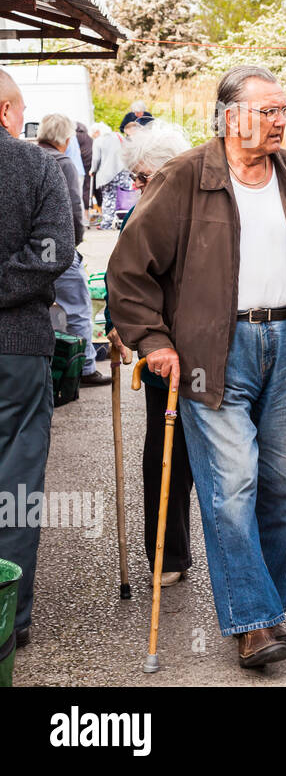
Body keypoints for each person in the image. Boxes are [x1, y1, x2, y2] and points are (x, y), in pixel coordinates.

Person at [108, 64, 286, 669]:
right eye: (266, 111)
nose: (279, 122)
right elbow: (130, 269)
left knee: (284, 493)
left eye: (281, 111)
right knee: (232, 486)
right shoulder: (187, 177)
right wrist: (154, 340)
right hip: (214, 354)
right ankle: (254, 625)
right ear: (229, 115)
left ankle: (264, 608)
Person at [0, 69, 75, 650]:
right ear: (6, 112)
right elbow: (56, 246)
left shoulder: (35, 166)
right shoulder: (37, 166)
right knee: (15, 485)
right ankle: (8, 620)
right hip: (18, 345)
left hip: (18, 345)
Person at [103, 122, 196, 586]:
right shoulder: (136, 215)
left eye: (144, 178)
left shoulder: (206, 209)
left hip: (213, 352)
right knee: (164, 456)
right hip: (162, 356)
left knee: (226, 461)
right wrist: (117, 328)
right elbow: (119, 280)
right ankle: (168, 554)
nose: (137, 188)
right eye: (136, 179)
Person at [36, 114, 110, 386]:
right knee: (78, 309)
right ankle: (86, 367)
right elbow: (74, 209)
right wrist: (75, 244)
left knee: (44, 310)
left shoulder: (30, 156)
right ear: (67, 140)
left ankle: (50, 366)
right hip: (60, 250)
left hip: (33, 250)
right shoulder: (63, 163)